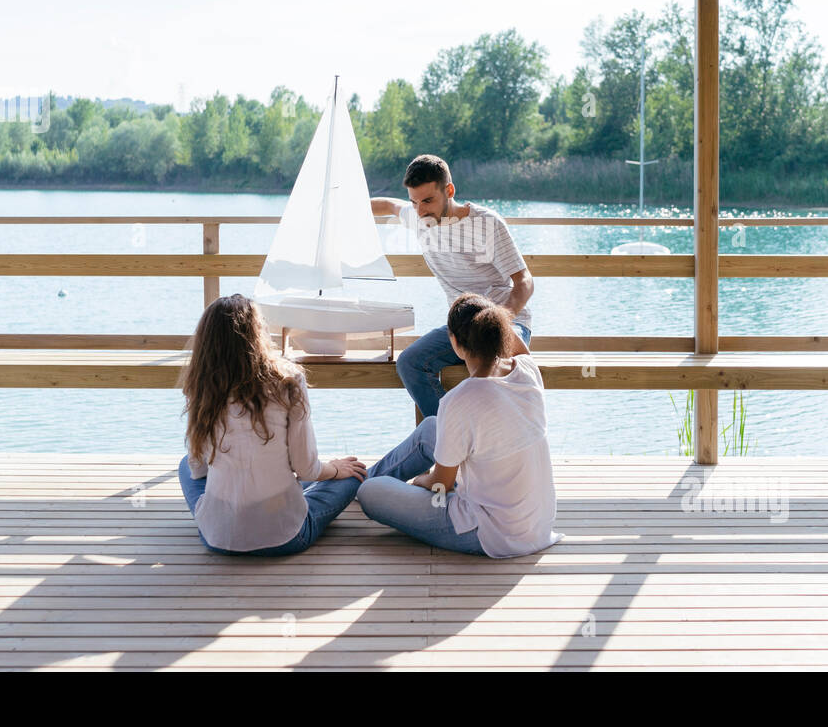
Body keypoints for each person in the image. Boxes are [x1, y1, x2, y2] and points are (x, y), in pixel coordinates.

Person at [357, 293, 563, 558]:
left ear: (454, 342)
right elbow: (516, 343)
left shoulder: (459, 399)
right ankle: (361, 476)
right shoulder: (527, 370)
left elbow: (441, 483)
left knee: (370, 492)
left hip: (489, 531)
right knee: (432, 426)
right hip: (537, 525)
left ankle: (356, 482)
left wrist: (419, 482)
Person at [176, 293, 368, 556]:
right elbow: (306, 469)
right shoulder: (288, 381)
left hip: (218, 537)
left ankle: (233, 505)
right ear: (257, 334)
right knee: (354, 473)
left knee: (186, 465)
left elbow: (197, 468)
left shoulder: (201, 387)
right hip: (284, 536)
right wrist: (335, 469)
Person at [370, 154, 534, 418]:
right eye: (414, 202)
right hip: (462, 327)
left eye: (427, 201)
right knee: (410, 363)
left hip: (503, 323)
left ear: (449, 190)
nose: (421, 211)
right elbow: (389, 205)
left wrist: (501, 318)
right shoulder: (419, 217)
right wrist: (338, 210)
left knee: (486, 377)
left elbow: (524, 281)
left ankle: (492, 444)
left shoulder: (486, 223)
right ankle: (451, 434)